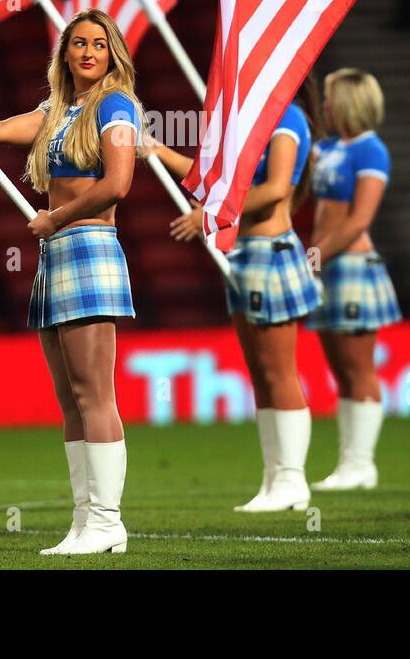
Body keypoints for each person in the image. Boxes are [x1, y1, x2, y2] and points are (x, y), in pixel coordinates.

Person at [0, 9, 141, 555]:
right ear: (64, 53)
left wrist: (56, 218)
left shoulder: (115, 105)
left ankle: (109, 521)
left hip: (86, 247)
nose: (88, 52)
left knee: (95, 394)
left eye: (99, 44)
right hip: (57, 252)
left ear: (113, 54)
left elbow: (118, 183)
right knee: (70, 399)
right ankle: (85, 522)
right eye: (78, 43)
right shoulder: (58, 109)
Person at [148, 79, 322, 512]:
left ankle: (293, 479)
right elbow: (214, 182)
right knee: (260, 372)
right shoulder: (248, 126)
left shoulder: (289, 118)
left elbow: (277, 188)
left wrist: (212, 217)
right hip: (242, 253)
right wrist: (156, 151)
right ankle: (273, 477)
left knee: (280, 370)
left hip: (270, 252)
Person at [305, 69, 400, 490]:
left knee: (359, 367)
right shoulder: (326, 147)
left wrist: (315, 254)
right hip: (325, 265)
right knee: (340, 369)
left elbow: (360, 218)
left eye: (330, 98)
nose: (324, 106)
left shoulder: (371, 151)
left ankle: (362, 463)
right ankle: (350, 462)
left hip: (352, 265)